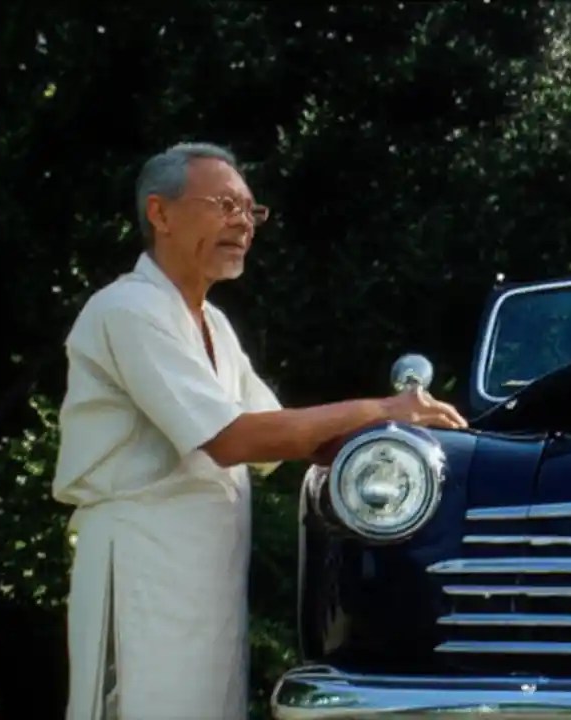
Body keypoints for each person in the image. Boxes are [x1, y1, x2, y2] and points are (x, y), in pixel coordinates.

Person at [53, 141, 467, 719]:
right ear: (160, 213)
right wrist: (380, 410)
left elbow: (289, 438)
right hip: (143, 564)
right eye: (224, 205)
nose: (243, 223)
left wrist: (411, 444)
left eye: (251, 210)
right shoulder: (127, 309)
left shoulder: (214, 326)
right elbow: (234, 440)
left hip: (208, 570)